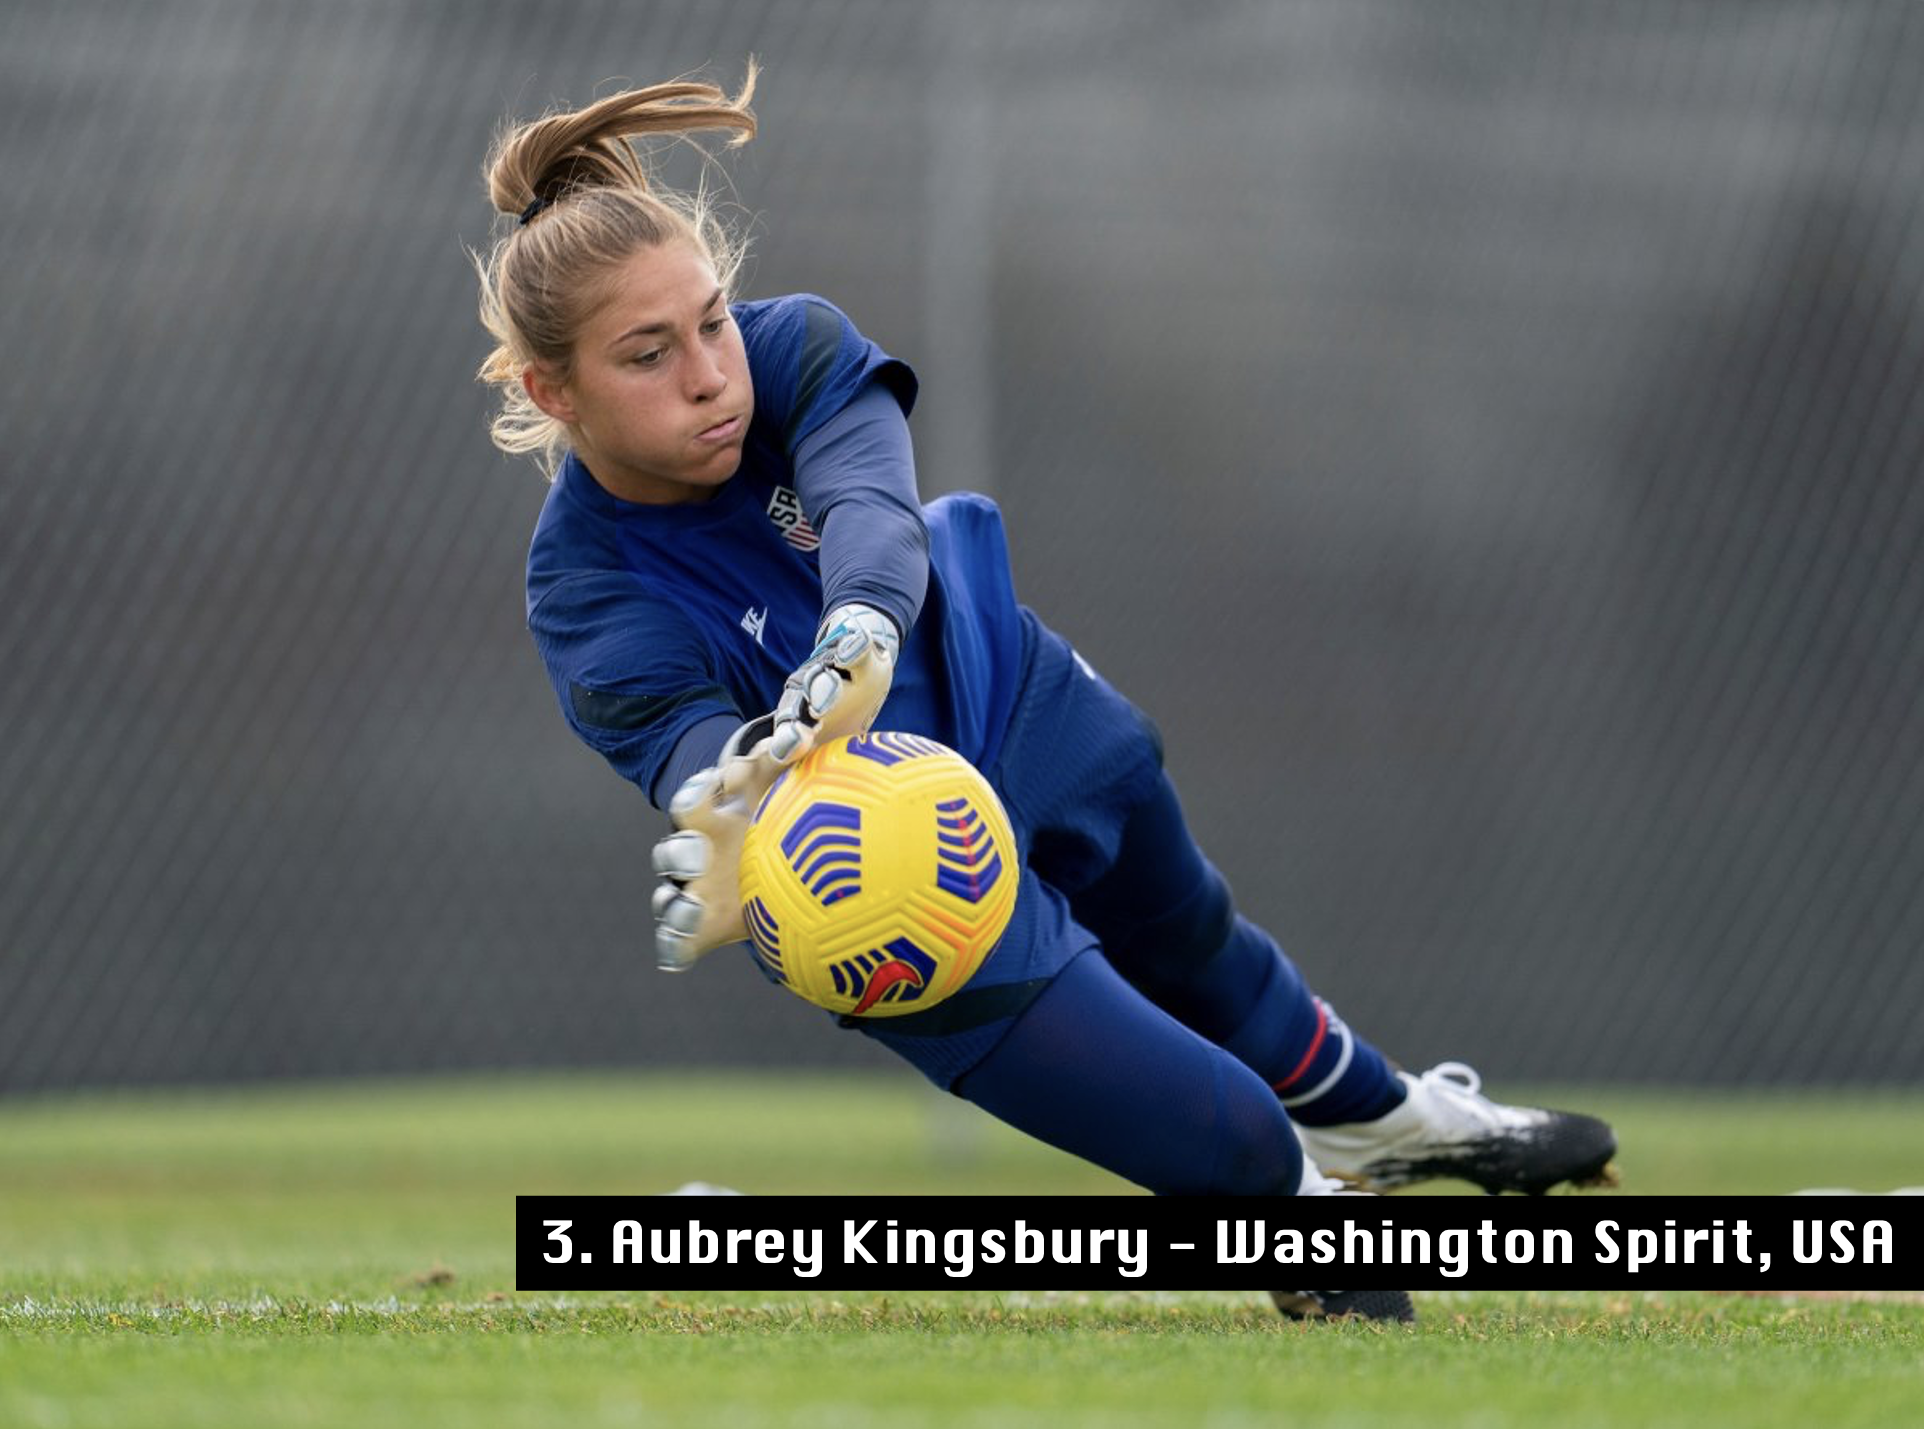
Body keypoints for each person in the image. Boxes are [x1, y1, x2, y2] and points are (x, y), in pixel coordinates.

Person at [475, 70, 1617, 1323]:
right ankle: (1317, 1211)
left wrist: (857, 623)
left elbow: (870, 503)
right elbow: (707, 757)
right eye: (649, 354)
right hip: (900, 870)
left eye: (711, 320)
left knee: (1201, 948)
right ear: (552, 391)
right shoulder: (583, 590)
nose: (709, 374)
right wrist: (736, 816)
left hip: (1012, 694)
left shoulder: (791, 345)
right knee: (1237, 1153)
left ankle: (1385, 1120)